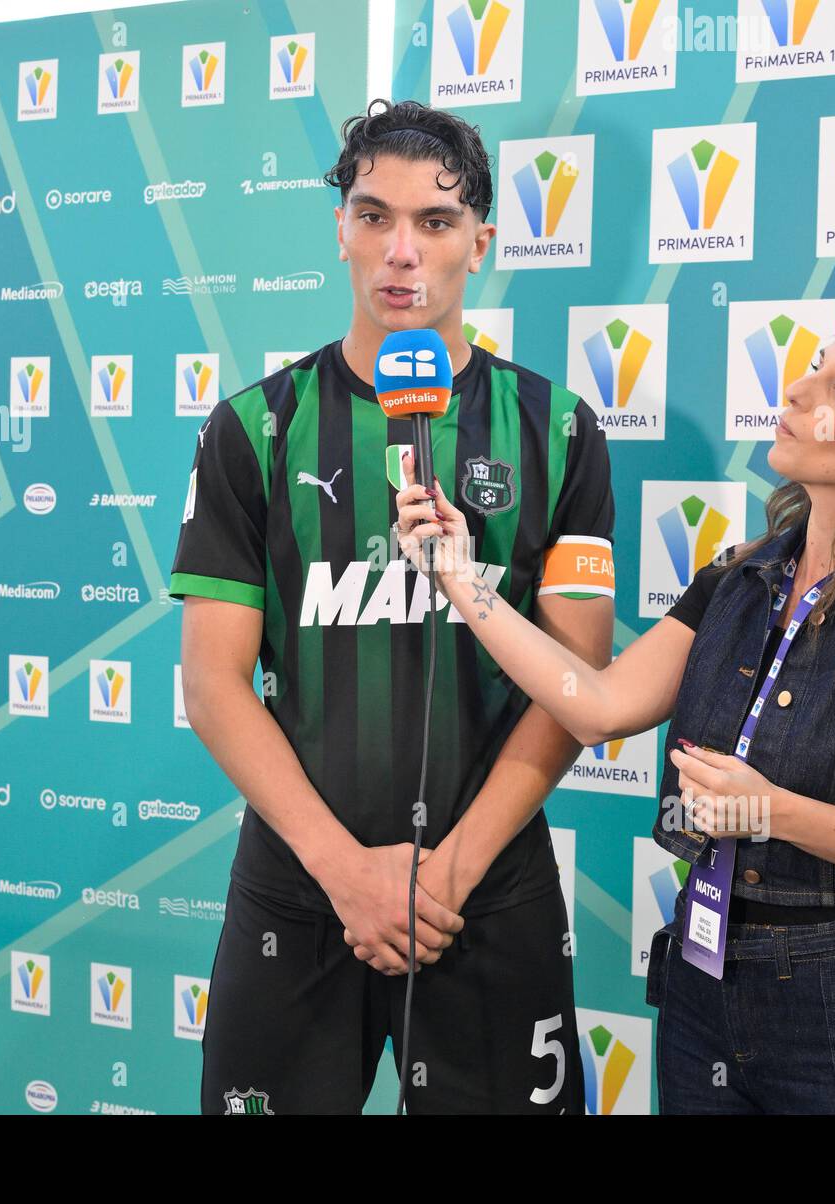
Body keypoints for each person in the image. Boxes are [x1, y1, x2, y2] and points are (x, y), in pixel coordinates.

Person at [395, 303, 835, 1114]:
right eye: (815, 366)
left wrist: (776, 812)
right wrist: (457, 575)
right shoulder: (737, 575)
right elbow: (600, 705)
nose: (794, 390)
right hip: (700, 987)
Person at [169, 98, 616, 1114]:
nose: (400, 252)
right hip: (299, 885)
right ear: (339, 229)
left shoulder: (559, 429)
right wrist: (347, 873)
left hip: (485, 891)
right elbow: (211, 683)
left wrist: (448, 871)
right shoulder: (255, 428)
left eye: (435, 222)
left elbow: (576, 682)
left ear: (481, 243)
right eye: (373, 217)